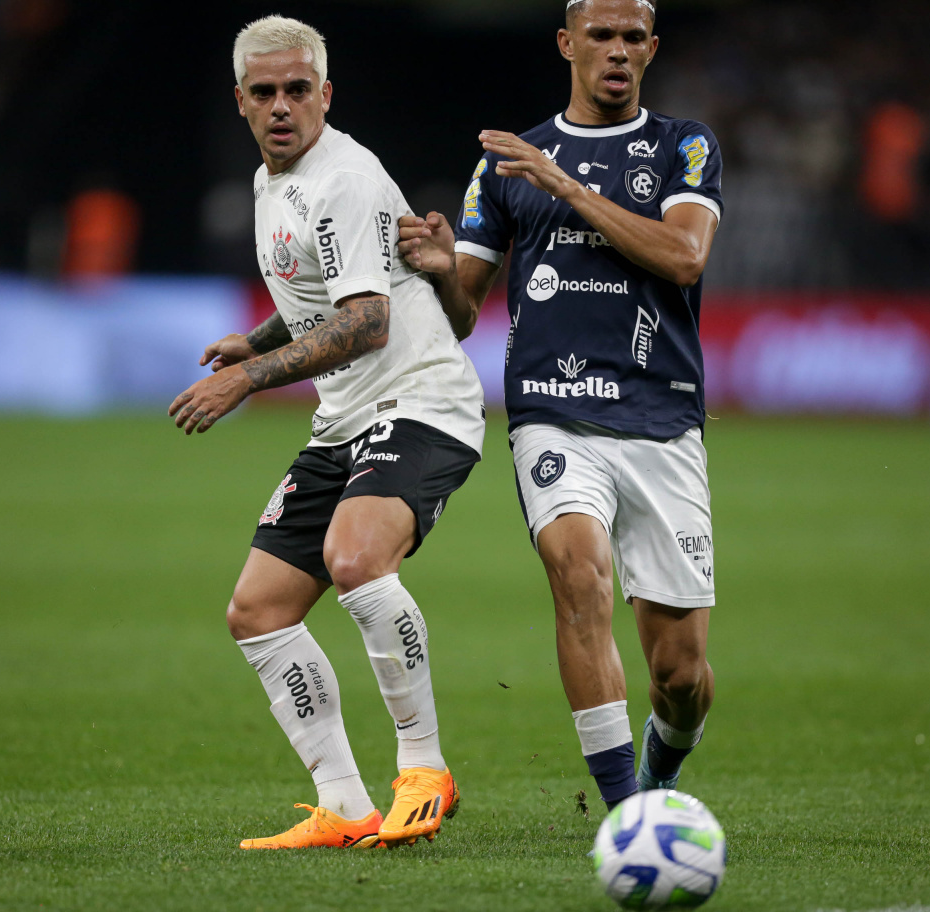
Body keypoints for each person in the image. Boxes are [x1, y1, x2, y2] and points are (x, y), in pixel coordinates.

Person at [168, 15, 484, 849]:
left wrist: (246, 377)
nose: (281, 106)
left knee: (355, 559)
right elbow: (323, 292)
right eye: (264, 92)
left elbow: (371, 320)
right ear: (240, 101)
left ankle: (424, 767)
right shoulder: (273, 180)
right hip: (346, 416)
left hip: (420, 399)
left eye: (297, 90)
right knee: (258, 610)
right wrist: (260, 339)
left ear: (325, 94)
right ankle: (343, 806)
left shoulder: (342, 175)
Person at [399, 0, 721, 810]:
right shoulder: (509, 163)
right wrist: (441, 270)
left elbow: (682, 258)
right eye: (601, 36)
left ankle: (661, 769)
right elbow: (463, 312)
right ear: (566, 43)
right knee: (579, 578)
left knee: (680, 677)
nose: (617, 52)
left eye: (632, 38)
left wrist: (568, 188)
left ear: (652, 48)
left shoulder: (684, 145)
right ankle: (626, 814)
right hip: (552, 411)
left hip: (662, 417)